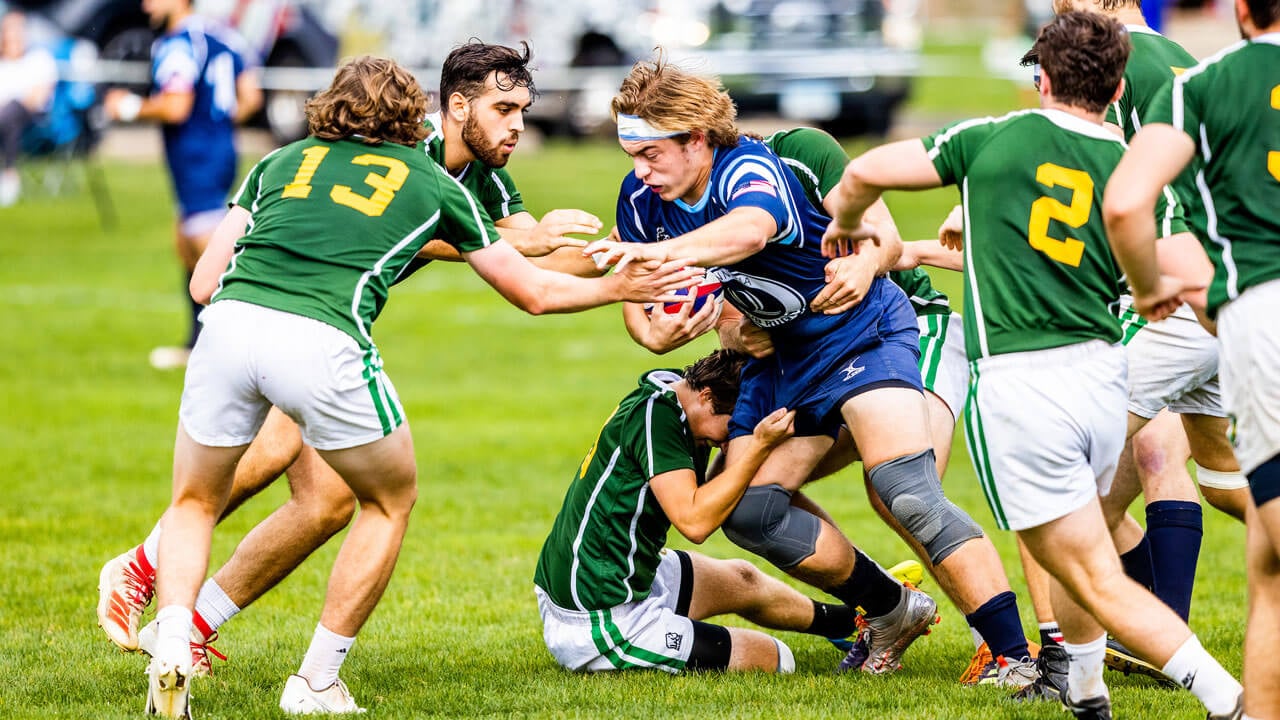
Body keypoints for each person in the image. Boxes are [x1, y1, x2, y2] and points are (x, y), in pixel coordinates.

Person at [136, 54, 700, 718]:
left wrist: (589, 248)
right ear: (425, 114)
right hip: (324, 338)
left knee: (213, 502)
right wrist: (618, 285)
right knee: (387, 500)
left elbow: (203, 284)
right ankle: (313, 680)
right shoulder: (431, 181)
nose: (517, 124)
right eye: (506, 110)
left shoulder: (278, 163)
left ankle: (176, 634)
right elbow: (531, 288)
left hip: (227, 328)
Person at [818, 11, 1242, 718]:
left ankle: (1230, 700)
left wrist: (847, 221)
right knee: (1101, 528)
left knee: (1088, 566)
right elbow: (1161, 255)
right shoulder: (1131, 164)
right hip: (1104, 376)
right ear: (1116, 90)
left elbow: (862, 170)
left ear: (1041, 77)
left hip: (1026, 387)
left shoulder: (989, 139)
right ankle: (1083, 685)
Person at [583, 54, 1039, 682]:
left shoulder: (750, 166)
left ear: (695, 139)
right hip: (780, 356)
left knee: (906, 493)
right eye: (631, 155)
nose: (639, 170)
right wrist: (650, 327)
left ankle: (1018, 658)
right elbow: (636, 293)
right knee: (749, 513)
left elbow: (748, 231)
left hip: (862, 333)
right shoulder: (643, 199)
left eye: (651, 153)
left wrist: (657, 254)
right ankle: (891, 609)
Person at [1104, 1, 1280, 717]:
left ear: (1239, 10)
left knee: (1071, 482)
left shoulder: (1202, 82)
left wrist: (1150, 289)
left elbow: (1125, 204)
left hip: (1253, 307)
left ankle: (1067, 660)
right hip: (1242, 320)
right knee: (1244, 513)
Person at [535, 348, 866, 673]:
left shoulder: (678, 399)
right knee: (776, 658)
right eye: (735, 430)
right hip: (599, 616)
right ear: (707, 397)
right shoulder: (656, 419)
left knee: (743, 578)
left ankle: (850, 622)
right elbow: (694, 523)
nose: (729, 444)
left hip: (623, 573)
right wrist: (759, 446)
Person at [103, 0, 262, 370]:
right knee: (186, 243)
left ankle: (243, 348)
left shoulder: (177, 43)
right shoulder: (224, 35)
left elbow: (175, 107)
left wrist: (127, 108)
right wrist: (216, 125)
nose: (145, 3)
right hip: (218, 149)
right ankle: (198, 344)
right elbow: (250, 97)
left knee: (208, 252)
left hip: (196, 157)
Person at [0, 9, 57, 207]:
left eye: (18, 30)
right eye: (9, 30)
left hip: (34, 121)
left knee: (12, 110)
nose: (14, 35)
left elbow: (38, 97)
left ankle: (10, 176)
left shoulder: (39, 60)